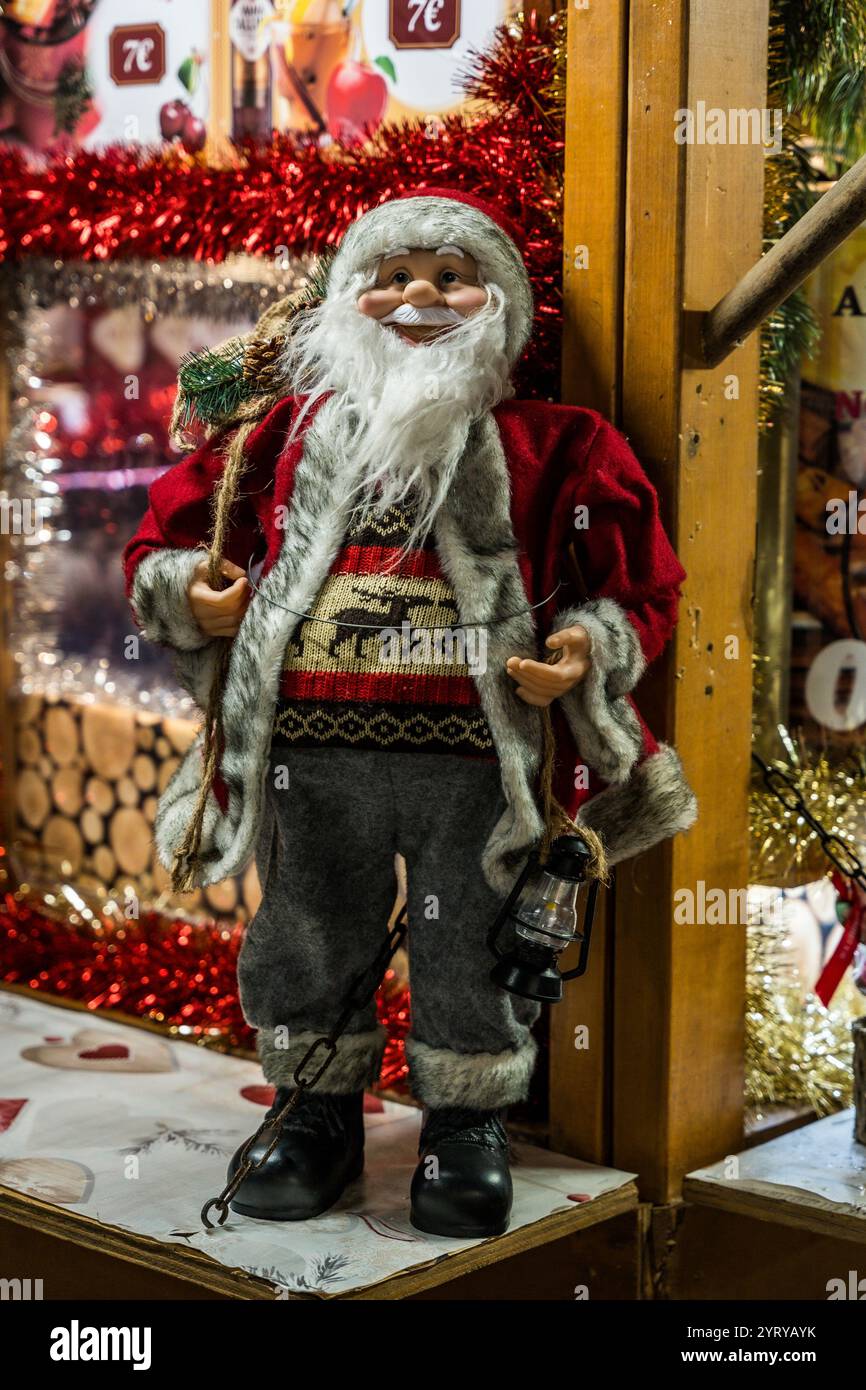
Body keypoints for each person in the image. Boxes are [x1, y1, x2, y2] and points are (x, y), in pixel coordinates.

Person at [123, 188, 696, 1238]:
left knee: (471, 935)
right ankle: (312, 1108)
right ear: (346, 300)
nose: (416, 298)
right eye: (389, 276)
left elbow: (639, 579)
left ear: (500, 309)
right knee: (306, 923)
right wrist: (189, 592)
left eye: (447, 276)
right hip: (308, 756)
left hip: (472, 763)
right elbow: (175, 529)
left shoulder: (552, 443)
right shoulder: (282, 436)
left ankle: (466, 1118)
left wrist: (585, 646)